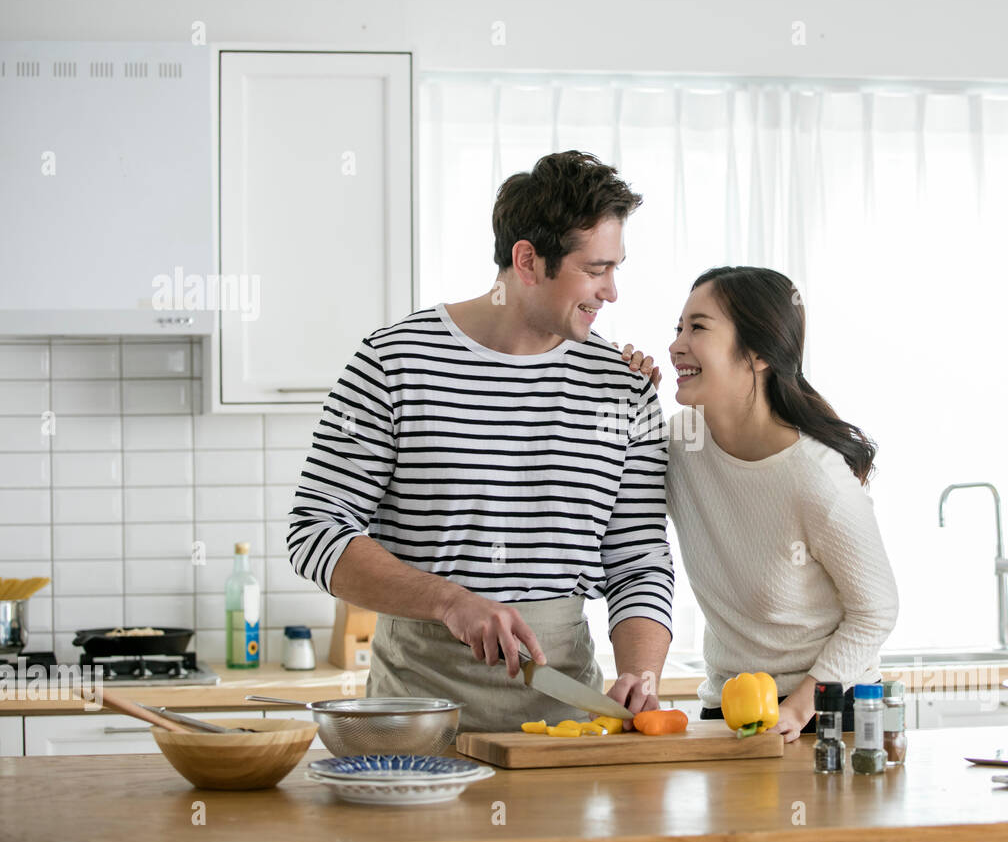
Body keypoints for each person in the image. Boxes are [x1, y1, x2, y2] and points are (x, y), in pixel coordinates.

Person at [287, 151, 674, 732]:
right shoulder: (394, 362)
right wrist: (449, 601)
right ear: (527, 260)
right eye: (594, 269)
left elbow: (639, 562)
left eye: (615, 268)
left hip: (566, 723)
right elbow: (315, 533)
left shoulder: (623, 386)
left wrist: (641, 674)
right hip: (414, 720)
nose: (611, 292)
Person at [620, 266, 898, 742]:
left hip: (829, 714)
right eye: (678, 328)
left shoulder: (816, 477)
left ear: (758, 354)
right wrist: (625, 396)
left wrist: (799, 705)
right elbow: (606, 489)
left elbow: (877, 611)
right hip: (729, 708)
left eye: (698, 328)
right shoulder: (681, 444)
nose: (676, 345)